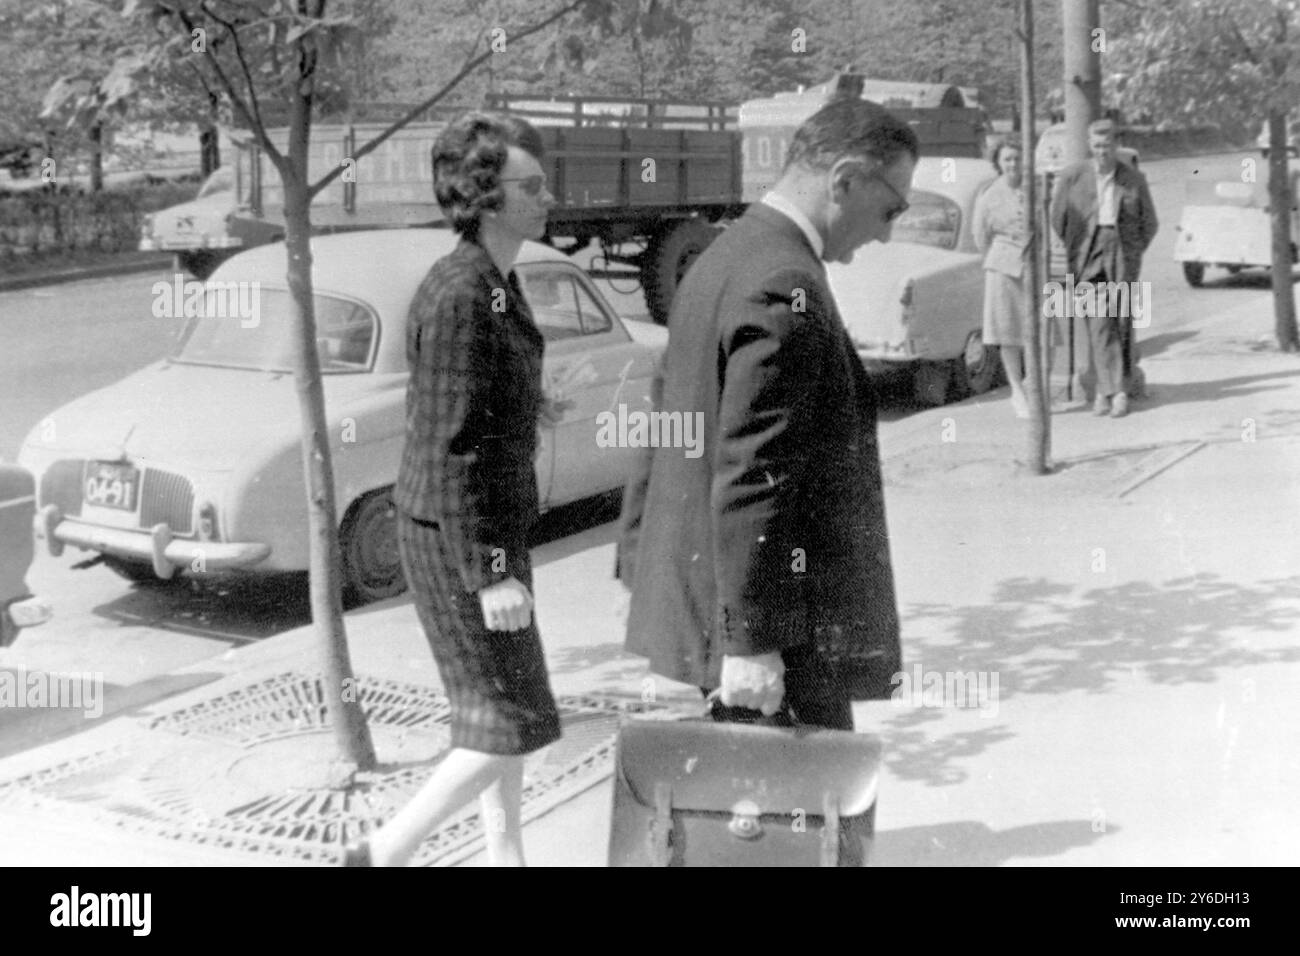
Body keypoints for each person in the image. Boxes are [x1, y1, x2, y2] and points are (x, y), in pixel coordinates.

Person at [615, 97, 915, 730]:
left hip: (712, 610)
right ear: (846, 179)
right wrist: (752, 642)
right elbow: (755, 472)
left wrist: (641, 563)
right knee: (795, 814)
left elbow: (668, 420)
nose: (887, 232)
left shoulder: (724, 257)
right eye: (891, 209)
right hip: (773, 638)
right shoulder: (784, 279)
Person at [348, 113, 562, 867]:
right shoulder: (462, 294)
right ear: (485, 195)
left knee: (492, 719)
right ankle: (384, 851)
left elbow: (470, 406)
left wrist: (530, 403)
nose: (548, 196)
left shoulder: (493, 280)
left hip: (480, 531)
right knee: (515, 717)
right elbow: (453, 448)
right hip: (458, 540)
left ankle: (507, 860)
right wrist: (493, 573)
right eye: (530, 185)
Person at [1050, 118, 1158, 418]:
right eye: (1096, 146)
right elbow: (1058, 217)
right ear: (1089, 146)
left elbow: (1149, 223)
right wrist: (1077, 246)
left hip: (1121, 250)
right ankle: (1111, 391)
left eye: (1107, 146)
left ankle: (1112, 390)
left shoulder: (1133, 178)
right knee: (1098, 321)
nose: (1102, 152)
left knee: (1120, 321)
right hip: (1087, 251)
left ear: (1116, 145)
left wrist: (1132, 254)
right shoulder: (1073, 176)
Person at [972, 139, 1031, 419]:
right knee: (1009, 334)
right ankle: (1017, 391)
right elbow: (980, 236)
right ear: (998, 163)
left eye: (1017, 158)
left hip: (1034, 268)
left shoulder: (1034, 189)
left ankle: (1034, 387)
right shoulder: (990, 195)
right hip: (1003, 269)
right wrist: (1002, 256)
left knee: (1036, 331)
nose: (1013, 165)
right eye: (1007, 159)